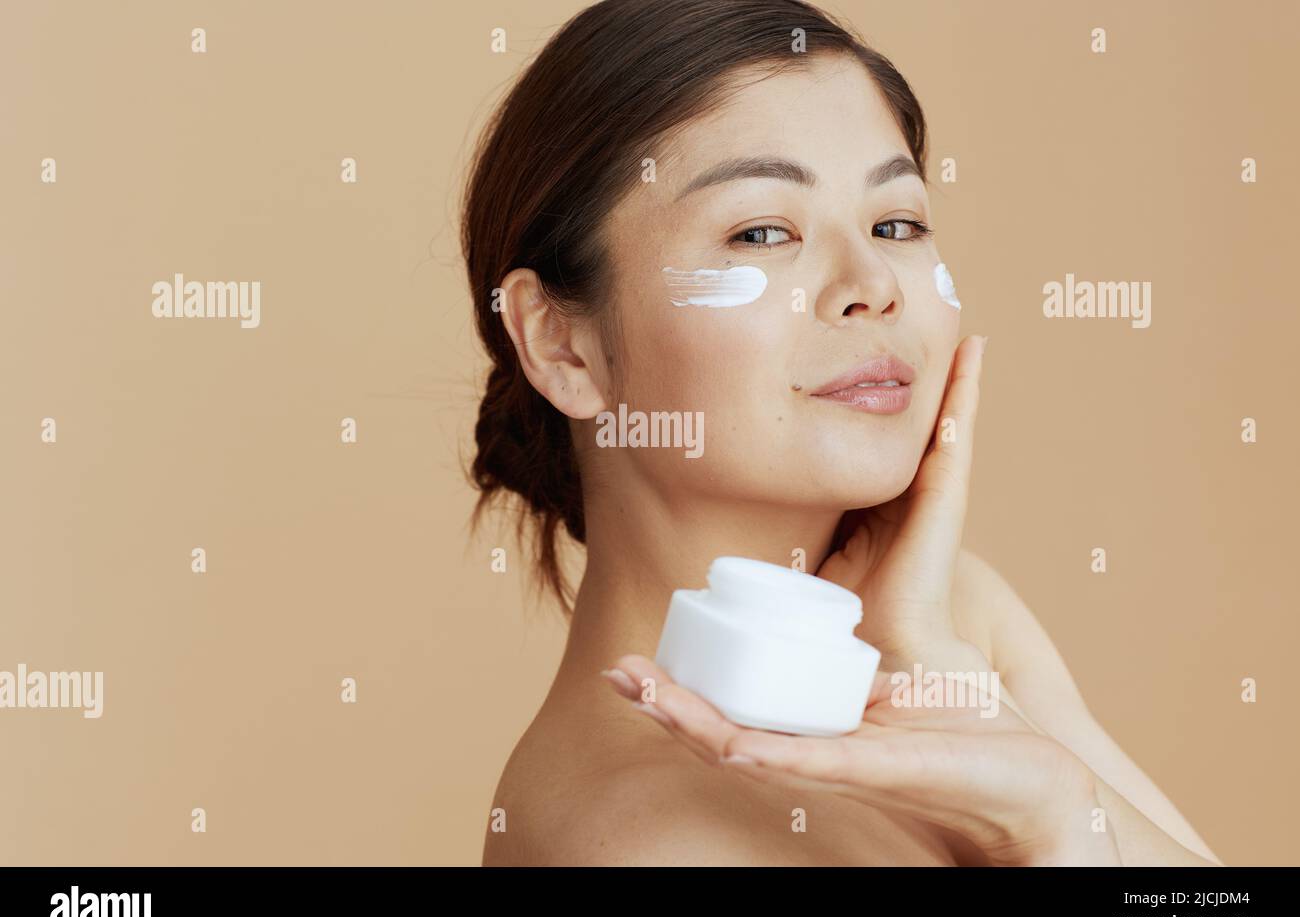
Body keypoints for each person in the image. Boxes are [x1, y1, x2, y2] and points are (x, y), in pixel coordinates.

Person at [462, 0, 1221, 865]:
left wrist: (955, 679)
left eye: (896, 224)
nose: (873, 283)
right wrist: (1052, 830)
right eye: (762, 232)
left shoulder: (946, 616)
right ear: (562, 343)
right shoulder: (643, 840)